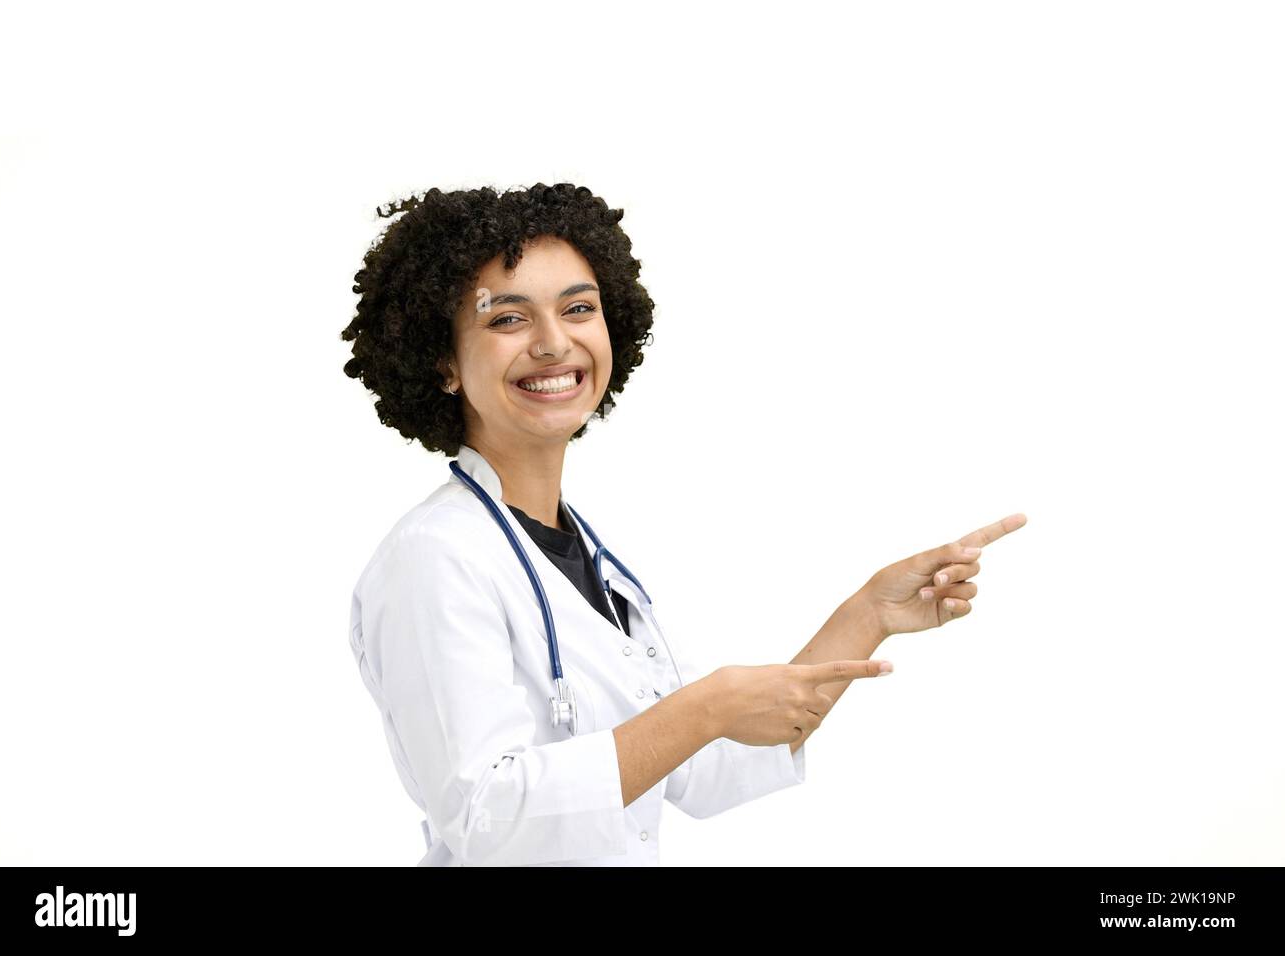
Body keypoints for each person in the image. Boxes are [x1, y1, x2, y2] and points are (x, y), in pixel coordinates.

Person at [341, 182, 1026, 866]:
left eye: (579, 309)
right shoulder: (435, 558)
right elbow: (483, 815)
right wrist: (706, 707)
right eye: (508, 319)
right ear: (442, 361)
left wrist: (868, 610)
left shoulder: (588, 563)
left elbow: (708, 767)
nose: (555, 344)